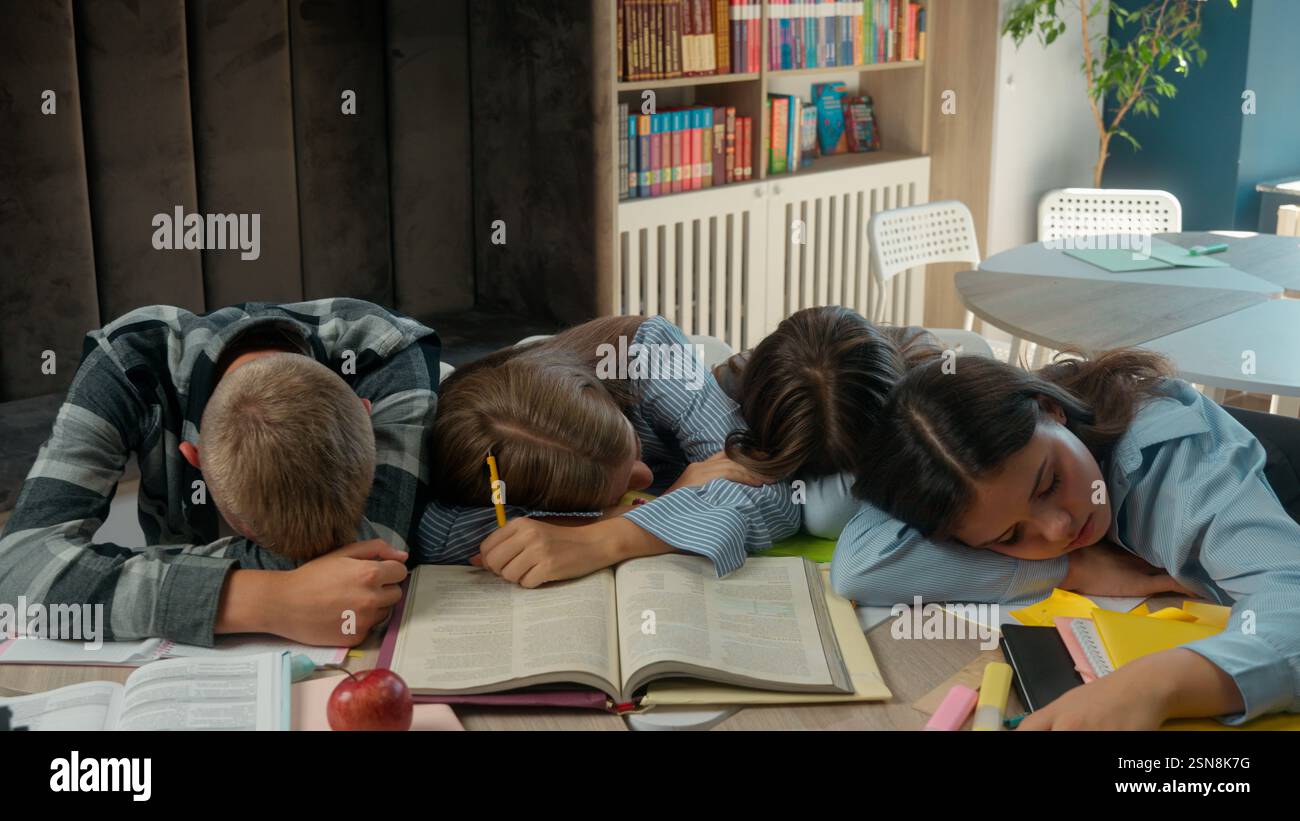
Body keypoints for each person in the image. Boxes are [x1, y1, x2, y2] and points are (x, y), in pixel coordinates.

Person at [836, 350, 1300, 728]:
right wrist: (1072, 567)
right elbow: (862, 565)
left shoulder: (1178, 470)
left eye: (1049, 484)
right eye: (1011, 535)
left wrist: (1157, 684)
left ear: (1051, 408)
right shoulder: (1009, 439)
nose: (1057, 529)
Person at [0, 299, 440, 647]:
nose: (294, 560)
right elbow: (17, 576)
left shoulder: (385, 355)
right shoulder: (126, 364)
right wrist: (262, 600)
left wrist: (123, 580)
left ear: (367, 418)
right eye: (260, 537)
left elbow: (371, 556)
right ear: (198, 461)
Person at [415, 315, 799, 585]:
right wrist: (658, 510)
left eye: (631, 441)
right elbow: (432, 538)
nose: (645, 477)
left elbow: (775, 497)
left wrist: (605, 537)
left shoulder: (646, 352)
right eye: (621, 489)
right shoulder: (472, 493)